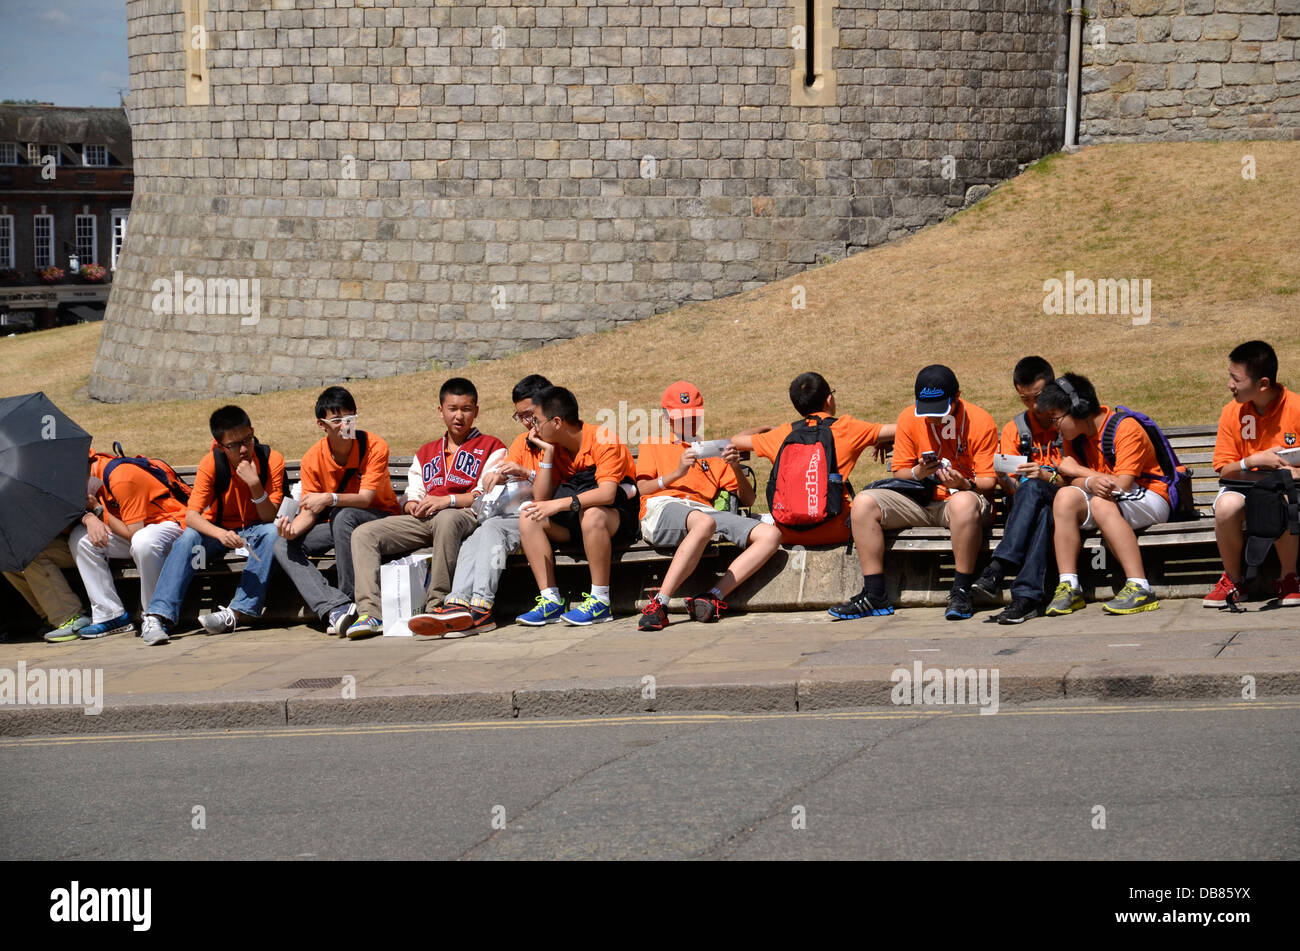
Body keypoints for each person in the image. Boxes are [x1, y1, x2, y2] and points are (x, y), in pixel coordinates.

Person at [346, 378, 506, 639]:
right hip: (426, 520)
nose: (459, 416)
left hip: (464, 517)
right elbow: (414, 490)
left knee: (446, 519)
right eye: (452, 408)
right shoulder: (426, 452)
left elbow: (484, 495)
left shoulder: (493, 447)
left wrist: (448, 501)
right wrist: (410, 504)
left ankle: (438, 604)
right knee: (364, 534)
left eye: (466, 409)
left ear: (476, 411)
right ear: (440, 411)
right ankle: (370, 612)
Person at [836, 364, 998, 621]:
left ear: (957, 397)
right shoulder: (909, 417)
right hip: (920, 500)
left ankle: (961, 591)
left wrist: (964, 483)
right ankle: (875, 594)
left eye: (939, 411)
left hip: (964, 502)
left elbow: (988, 482)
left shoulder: (979, 420)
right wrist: (918, 473)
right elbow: (900, 471)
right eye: (927, 411)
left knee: (963, 502)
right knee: (864, 503)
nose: (932, 418)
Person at [407, 374, 551, 638]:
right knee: (478, 533)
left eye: (530, 415)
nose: (527, 423)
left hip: (547, 517)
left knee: (492, 528)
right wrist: (501, 476)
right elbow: (509, 481)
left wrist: (524, 473)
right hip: (519, 514)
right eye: (520, 417)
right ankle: (457, 605)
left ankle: (482, 606)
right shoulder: (521, 442)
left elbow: (552, 490)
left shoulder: (558, 441)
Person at [635, 381, 781, 631]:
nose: (688, 421)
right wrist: (678, 472)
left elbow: (746, 500)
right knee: (704, 522)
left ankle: (712, 596)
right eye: (681, 415)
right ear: (666, 416)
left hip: (705, 513)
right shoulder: (653, 443)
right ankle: (660, 604)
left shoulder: (712, 450)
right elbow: (644, 489)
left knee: (771, 534)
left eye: (693, 415)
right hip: (662, 507)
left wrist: (734, 466)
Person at [141, 406, 285, 645]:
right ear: (220, 446)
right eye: (233, 445)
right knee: (188, 539)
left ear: (253, 432)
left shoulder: (272, 460)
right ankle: (158, 616)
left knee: (272, 533)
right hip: (218, 532)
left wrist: (254, 484)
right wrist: (220, 533)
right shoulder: (211, 463)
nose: (243, 449)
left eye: (247, 440)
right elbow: (192, 516)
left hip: (256, 531)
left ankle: (236, 612)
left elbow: (269, 517)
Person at [273, 386, 401, 636]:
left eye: (350, 418)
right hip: (341, 526)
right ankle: (336, 606)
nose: (345, 425)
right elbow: (309, 512)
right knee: (282, 545)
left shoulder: (374, 446)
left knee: (344, 515)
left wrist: (329, 498)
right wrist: (290, 531)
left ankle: (350, 598)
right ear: (322, 425)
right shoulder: (313, 457)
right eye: (337, 420)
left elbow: (365, 499)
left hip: (382, 518)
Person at [1038, 373, 1168, 616]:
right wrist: (1088, 480)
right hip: (1112, 498)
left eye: (1056, 418)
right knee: (1064, 498)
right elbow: (1071, 481)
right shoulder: (1075, 438)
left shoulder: (1124, 427)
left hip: (1151, 496)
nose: (1054, 426)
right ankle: (1069, 586)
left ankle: (1140, 586)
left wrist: (1080, 473)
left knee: (1100, 502)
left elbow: (1122, 484)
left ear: (1079, 408)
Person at [514, 385, 638, 626]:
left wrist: (559, 504)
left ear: (557, 422)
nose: (533, 426)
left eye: (537, 420)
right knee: (530, 516)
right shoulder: (553, 445)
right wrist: (548, 454)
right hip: (575, 520)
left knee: (592, 515)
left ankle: (600, 601)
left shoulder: (603, 439)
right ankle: (550, 601)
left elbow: (608, 494)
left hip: (614, 518)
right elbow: (541, 499)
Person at [730, 372, 894, 550]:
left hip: (787, 533)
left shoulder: (783, 434)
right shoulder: (846, 428)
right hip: (838, 531)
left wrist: (766, 428)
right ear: (829, 399)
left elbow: (735, 440)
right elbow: (903, 428)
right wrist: (882, 438)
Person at [1205, 340, 1300, 607]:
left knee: (1282, 500)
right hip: (1242, 487)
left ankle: (1289, 577)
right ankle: (1234, 581)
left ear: (1263, 384)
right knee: (1226, 506)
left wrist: (1293, 469)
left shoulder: (1296, 407)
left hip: (1284, 488)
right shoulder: (1231, 412)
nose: (1230, 385)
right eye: (1230, 376)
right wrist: (1252, 461)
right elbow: (1224, 468)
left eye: (1236, 378)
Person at [971, 356, 1064, 624]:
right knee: (1041, 511)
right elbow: (1015, 491)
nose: (1034, 406)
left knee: (1036, 487)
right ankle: (1025, 599)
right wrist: (1003, 478)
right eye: (1025, 399)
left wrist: (1046, 476)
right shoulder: (1016, 429)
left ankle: (998, 568)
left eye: (1039, 396)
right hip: (1035, 508)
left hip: (1070, 502)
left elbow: (1080, 480)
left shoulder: (1066, 421)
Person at [68, 449, 189, 639]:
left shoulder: (120, 477)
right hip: (134, 530)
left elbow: (135, 534)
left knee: (143, 542)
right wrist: (89, 518)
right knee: (81, 539)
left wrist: (98, 511)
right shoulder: (88, 481)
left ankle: (155, 615)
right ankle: (110, 616)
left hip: (169, 525)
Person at [5, 535, 90, 643]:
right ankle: (50, 615)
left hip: (80, 538)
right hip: (49, 540)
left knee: (30, 553)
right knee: (7, 561)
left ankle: (70, 618)